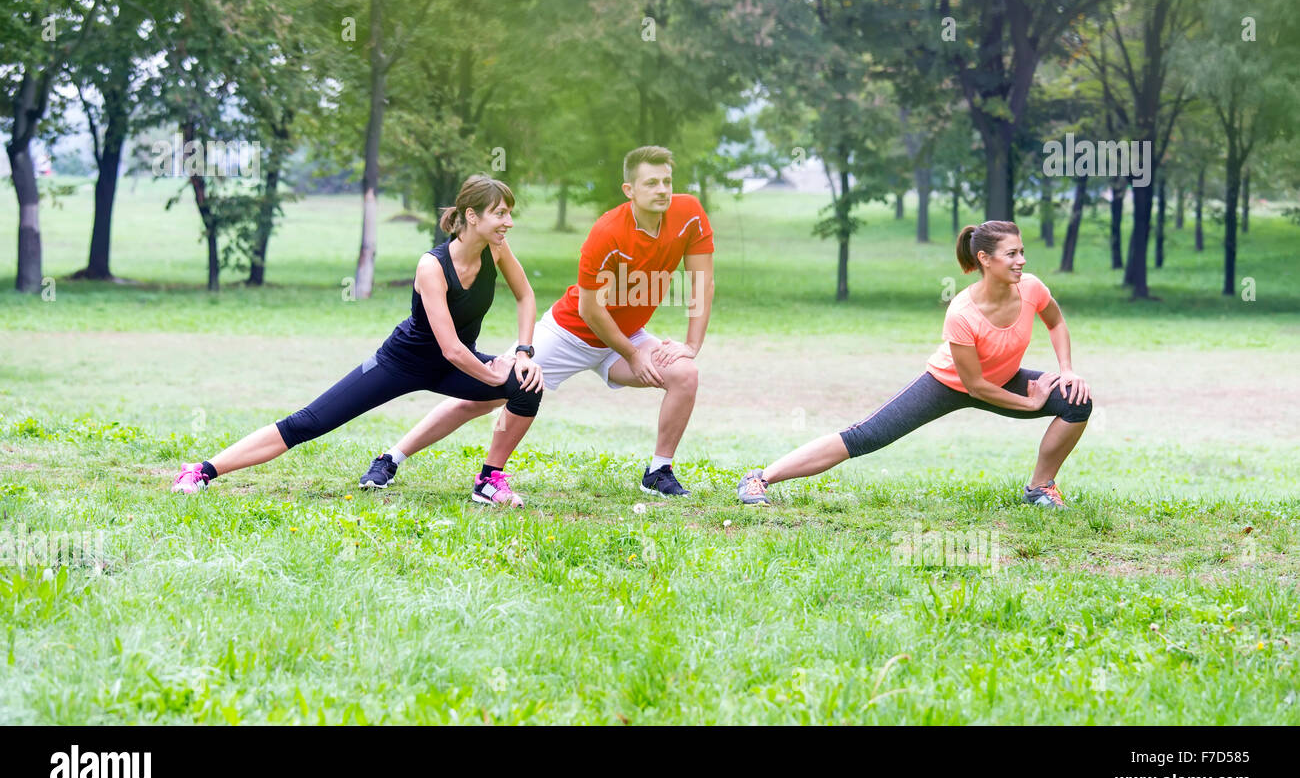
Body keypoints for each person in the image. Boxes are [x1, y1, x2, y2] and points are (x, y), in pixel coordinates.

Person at [355, 145, 715, 501]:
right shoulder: (607, 232)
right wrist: (633, 356)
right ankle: (391, 458)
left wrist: (690, 345)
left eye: (667, 181)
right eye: (651, 183)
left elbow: (701, 282)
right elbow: (591, 312)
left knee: (685, 374)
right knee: (484, 397)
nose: (663, 190)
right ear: (629, 190)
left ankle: (658, 472)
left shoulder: (690, 215)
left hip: (624, 337)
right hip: (568, 333)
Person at [169, 174, 544, 507]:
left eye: (509, 213)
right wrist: (492, 375)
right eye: (500, 213)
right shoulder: (432, 265)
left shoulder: (495, 249)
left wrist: (523, 354)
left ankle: (488, 481)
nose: (508, 222)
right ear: (472, 216)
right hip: (402, 363)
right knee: (308, 423)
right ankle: (201, 471)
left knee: (527, 385)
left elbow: (525, 296)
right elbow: (449, 346)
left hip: (455, 366)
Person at [737, 220, 1092, 509]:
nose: (1022, 261)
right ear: (985, 259)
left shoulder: (1030, 289)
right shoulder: (963, 313)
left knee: (1076, 400)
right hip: (948, 385)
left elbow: (1056, 322)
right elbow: (975, 387)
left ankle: (1039, 487)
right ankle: (760, 477)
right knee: (864, 436)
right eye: (1012, 254)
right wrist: (1030, 402)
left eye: (1022, 252)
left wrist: (1067, 370)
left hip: (1003, 379)